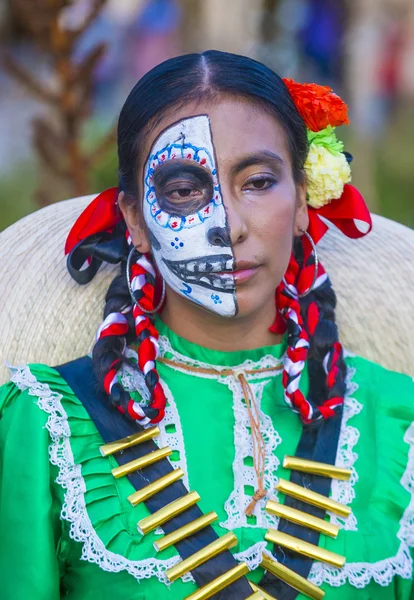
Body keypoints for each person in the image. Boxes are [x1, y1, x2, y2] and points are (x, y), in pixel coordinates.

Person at [0, 51, 413, 600]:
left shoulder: (397, 423)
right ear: (134, 221)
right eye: (184, 191)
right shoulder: (49, 423)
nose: (229, 226)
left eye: (259, 181)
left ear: (302, 204)